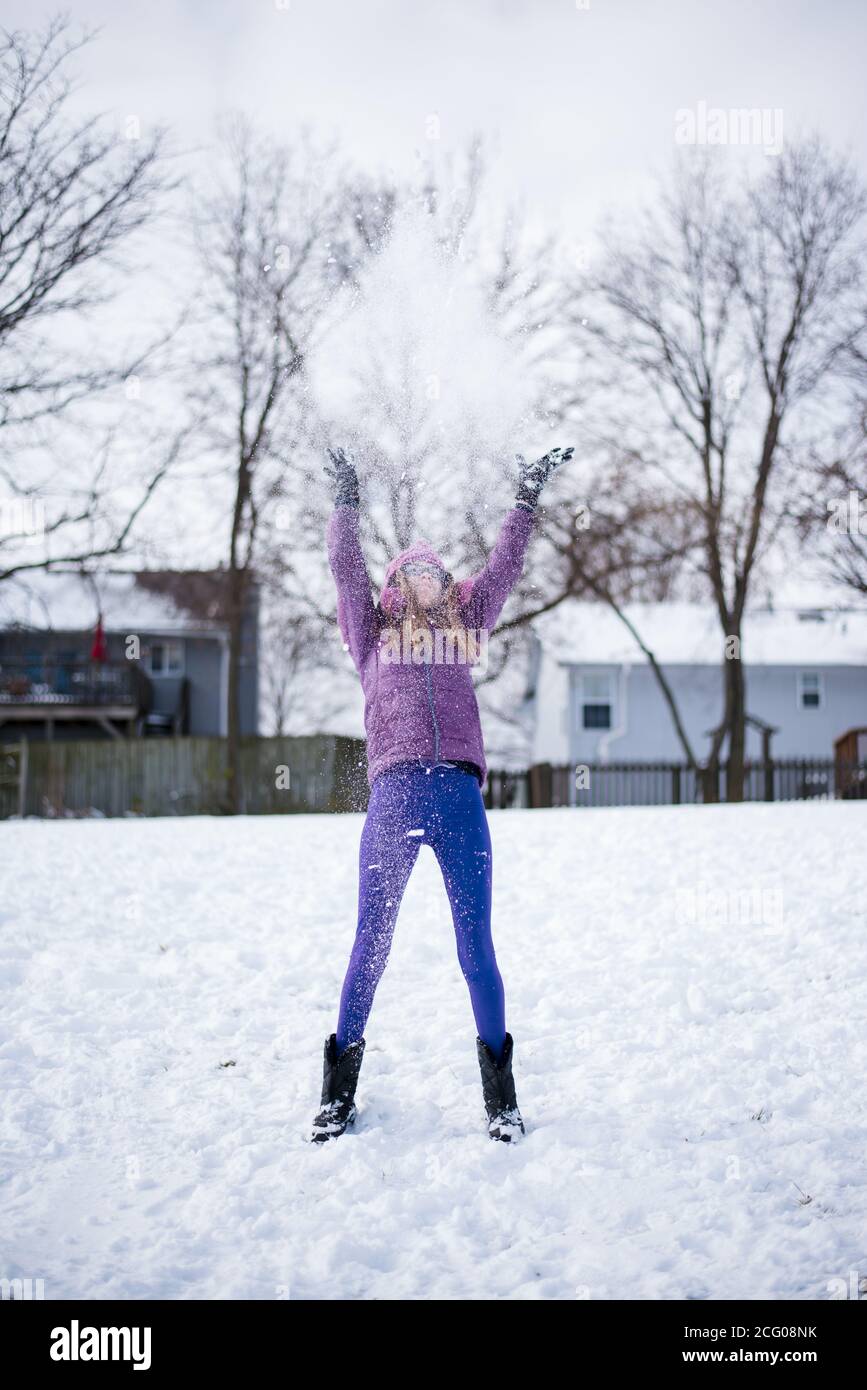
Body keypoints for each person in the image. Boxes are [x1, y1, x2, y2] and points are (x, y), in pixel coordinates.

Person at [310, 442, 574, 1143]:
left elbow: (505, 568)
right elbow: (343, 570)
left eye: (435, 569)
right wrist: (345, 499)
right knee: (371, 942)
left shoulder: (464, 632)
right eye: (411, 569)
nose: (425, 575)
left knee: (475, 947)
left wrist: (525, 498)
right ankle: (336, 1095)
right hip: (392, 798)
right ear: (396, 584)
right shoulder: (368, 634)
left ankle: (501, 1099)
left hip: (458, 798)